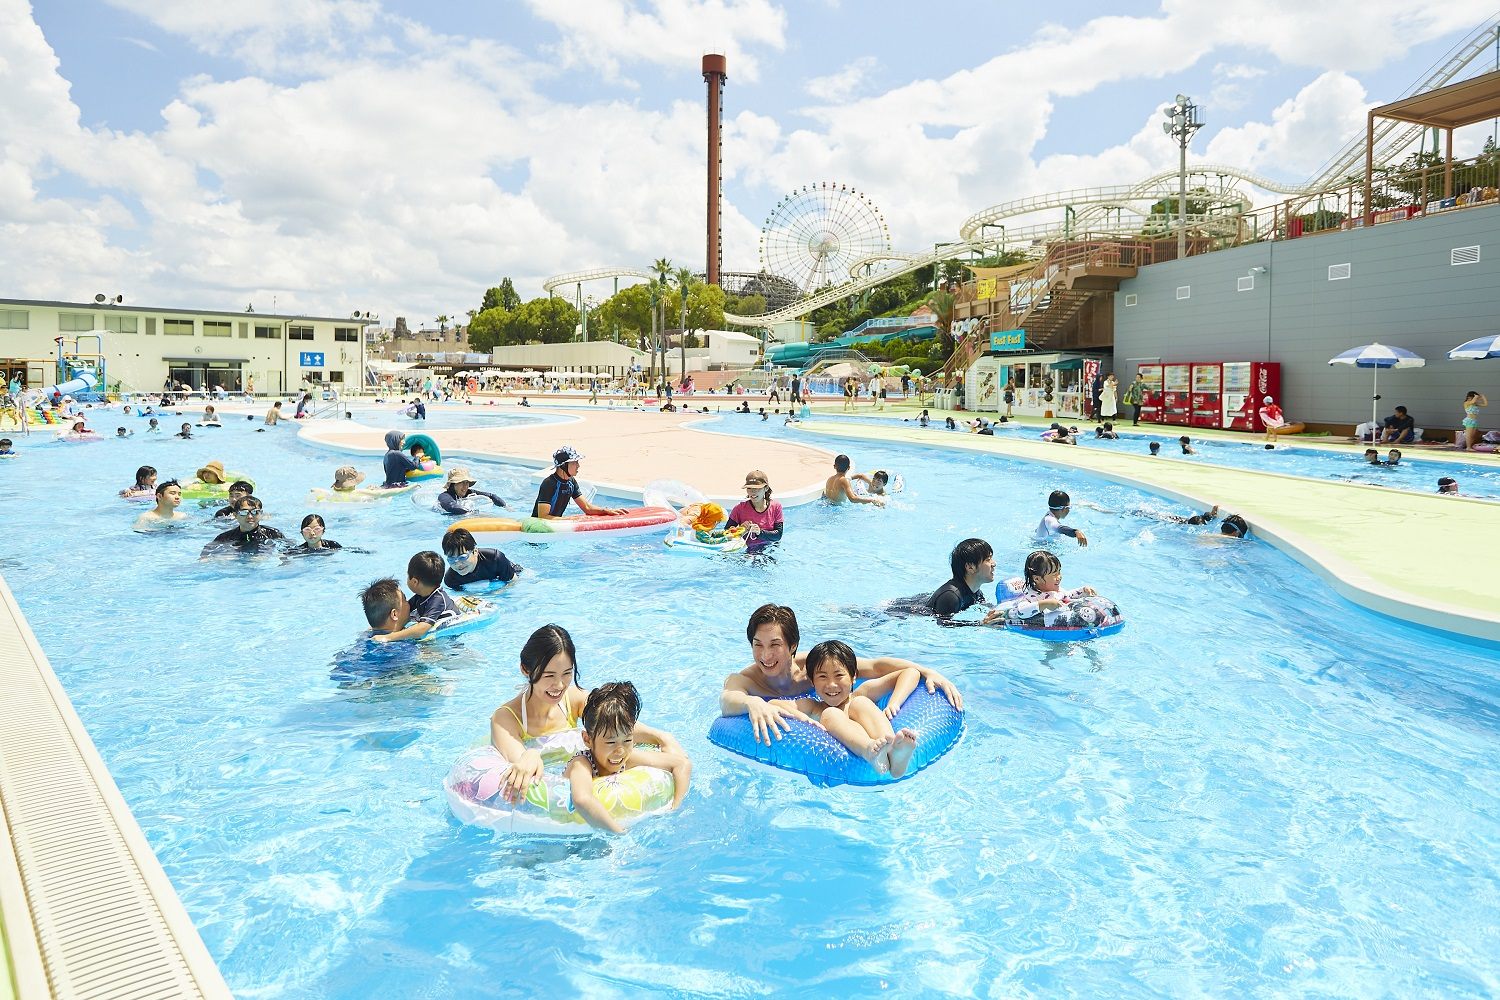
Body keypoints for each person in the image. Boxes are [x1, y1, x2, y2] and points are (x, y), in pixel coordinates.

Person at [488, 624, 686, 802]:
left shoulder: (573, 699)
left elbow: (615, 723)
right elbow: (520, 761)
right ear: (525, 669)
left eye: (567, 673)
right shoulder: (505, 718)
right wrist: (529, 754)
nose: (559, 685)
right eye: (549, 676)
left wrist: (661, 737)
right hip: (555, 792)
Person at [720, 604, 963, 745]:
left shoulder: (813, 670)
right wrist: (752, 702)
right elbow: (728, 698)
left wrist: (927, 671)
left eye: (775, 645)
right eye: (757, 644)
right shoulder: (747, 680)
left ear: (792, 645)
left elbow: (876, 667)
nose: (765, 655)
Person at [563, 682, 692, 834]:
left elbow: (682, 764)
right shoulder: (582, 763)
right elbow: (582, 799)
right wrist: (620, 833)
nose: (620, 750)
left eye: (627, 740)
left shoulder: (628, 756)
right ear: (587, 739)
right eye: (610, 742)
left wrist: (676, 808)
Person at [790, 640, 919, 777]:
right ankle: (869, 749)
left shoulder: (862, 693)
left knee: (860, 702)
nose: (831, 684)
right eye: (822, 677)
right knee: (830, 713)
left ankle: (894, 751)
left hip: (880, 740)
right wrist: (802, 718)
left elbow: (910, 673)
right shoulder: (813, 707)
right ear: (812, 681)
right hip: (867, 747)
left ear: (853, 677)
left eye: (839, 675)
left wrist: (894, 702)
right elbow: (775, 705)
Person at [984, 550, 1100, 628]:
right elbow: (1021, 611)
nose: (1059, 577)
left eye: (1059, 572)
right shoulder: (1031, 596)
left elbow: (1068, 595)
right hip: (1045, 627)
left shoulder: (1055, 591)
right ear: (1037, 579)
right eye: (1054, 574)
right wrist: (1043, 604)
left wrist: (1083, 591)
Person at [890, 537, 995, 620]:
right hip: (895, 613)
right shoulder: (951, 596)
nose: (994, 564)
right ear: (970, 567)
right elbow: (945, 624)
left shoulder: (976, 590)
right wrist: (980, 624)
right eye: (988, 559)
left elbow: (984, 606)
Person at [363, 552, 456, 642]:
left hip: (450, 634)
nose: (407, 603)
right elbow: (403, 610)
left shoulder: (438, 599)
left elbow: (422, 628)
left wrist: (389, 637)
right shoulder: (421, 596)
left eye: (408, 576)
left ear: (415, 582)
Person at [534, 446, 624, 518]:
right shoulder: (549, 484)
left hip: (554, 527)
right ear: (564, 465)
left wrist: (605, 511)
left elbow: (587, 508)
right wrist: (569, 520)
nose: (578, 465)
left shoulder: (571, 482)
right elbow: (543, 517)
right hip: (536, 532)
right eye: (574, 462)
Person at [441, 527, 521, 591]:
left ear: (475, 551)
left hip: (512, 571)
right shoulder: (451, 580)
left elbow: (513, 582)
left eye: (462, 557)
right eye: (451, 560)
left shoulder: (495, 559)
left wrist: (496, 595)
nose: (457, 564)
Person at [202, 495, 285, 554]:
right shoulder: (224, 537)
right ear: (235, 515)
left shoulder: (273, 534)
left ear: (261, 514)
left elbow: (287, 551)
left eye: (255, 512)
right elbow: (206, 552)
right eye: (244, 512)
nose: (250, 516)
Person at [726, 470, 783, 553]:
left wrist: (760, 532)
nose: (752, 492)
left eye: (757, 488)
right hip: (747, 550)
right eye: (749, 488)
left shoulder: (776, 507)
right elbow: (726, 534)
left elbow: (778, 535)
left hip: (769, 548)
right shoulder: (739, 509)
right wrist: (740, 529)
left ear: (766, 488)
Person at [437, 467, 506, 515]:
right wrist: (473, 513)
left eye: (467, 482)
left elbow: (491, 496)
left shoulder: (469, 493)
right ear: (453, 484)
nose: (465, 486)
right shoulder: (444, 496)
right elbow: (452, 507)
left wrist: (506, 507)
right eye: (462, 482)